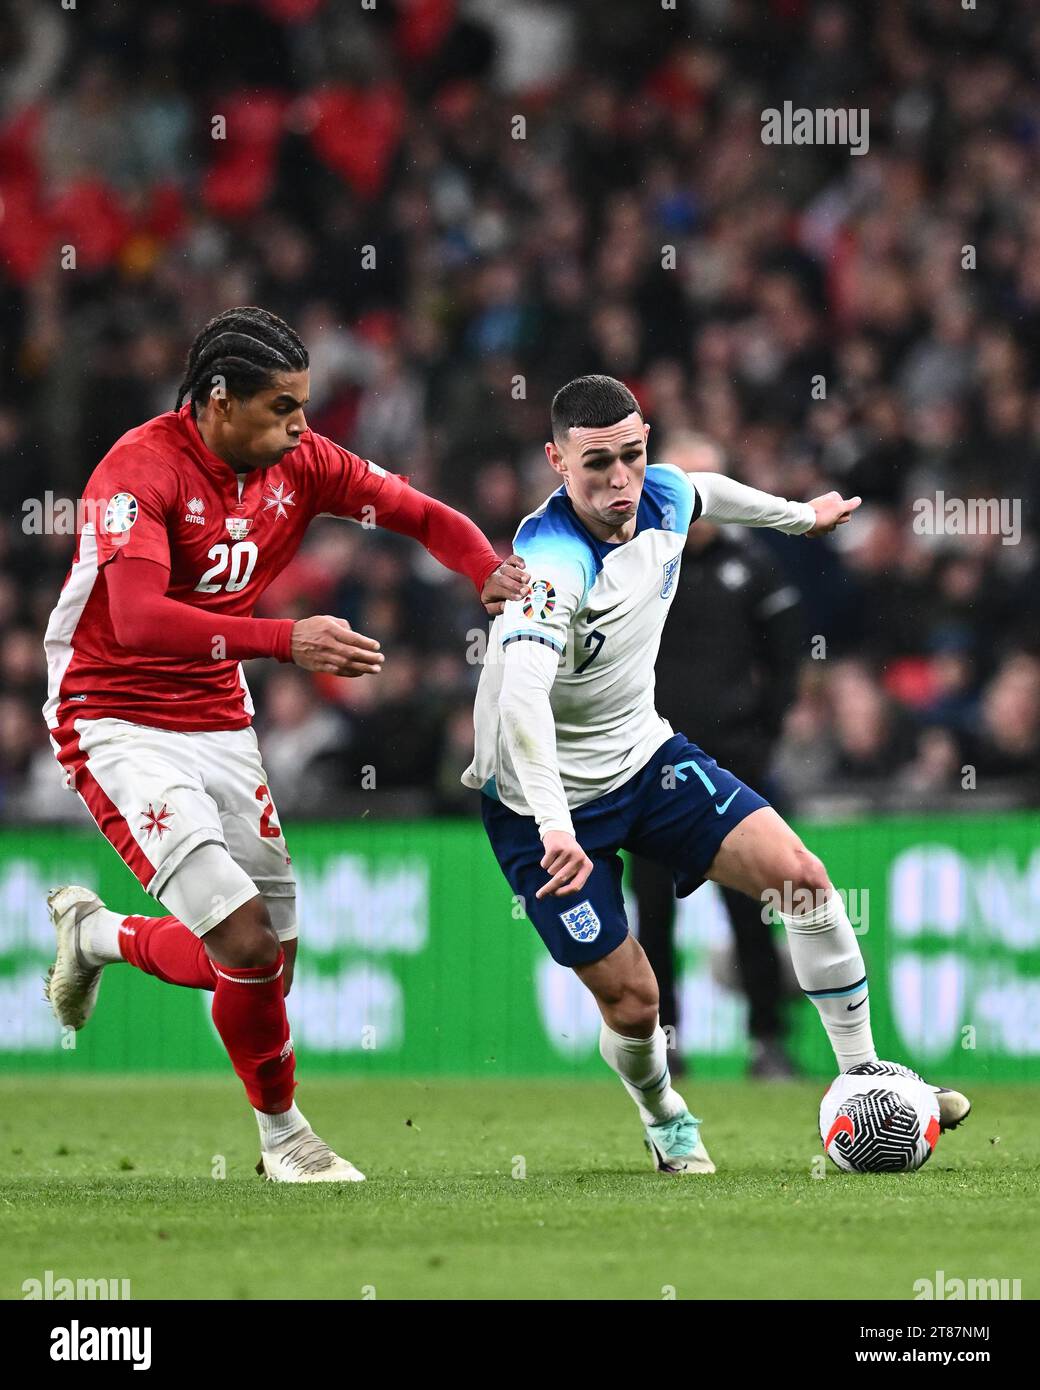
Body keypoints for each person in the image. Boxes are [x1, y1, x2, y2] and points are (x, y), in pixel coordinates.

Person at [42, 306, 528, 1183]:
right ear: (217, 401)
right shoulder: (136, 472)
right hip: (112, 713)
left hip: (216, 712)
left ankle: (100, 936)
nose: (303, 424)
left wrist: (484, 567)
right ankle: (285, 1140)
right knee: (245, 943)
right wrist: (285, 639)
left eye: (305, 404)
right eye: (282, 406)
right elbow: (141, 621)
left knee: (269, 964)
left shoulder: (301, 462)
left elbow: (418, 513)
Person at [463, 374, 970, 1174]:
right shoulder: (549, 564)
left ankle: (865, 1077)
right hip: (541, 805)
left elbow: (707, 492)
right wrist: (558, 827)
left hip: (645, 757)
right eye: (597, 464)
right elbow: (521, 700)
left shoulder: (660, 494)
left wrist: (803, 518)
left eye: (633, 455)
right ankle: (665, 1114)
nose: (620, 479)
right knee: (635, 1003)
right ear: (556, 460)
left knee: (802, 878)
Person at [630, 432, 805, 1079]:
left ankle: (768, 1042)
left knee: (752, 910)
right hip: (646, 771)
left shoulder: (753, 566)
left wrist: (761, 739)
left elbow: (788, 662)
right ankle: (665, 1046)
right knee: (652, 919)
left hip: (732, 769)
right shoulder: (638, 561)